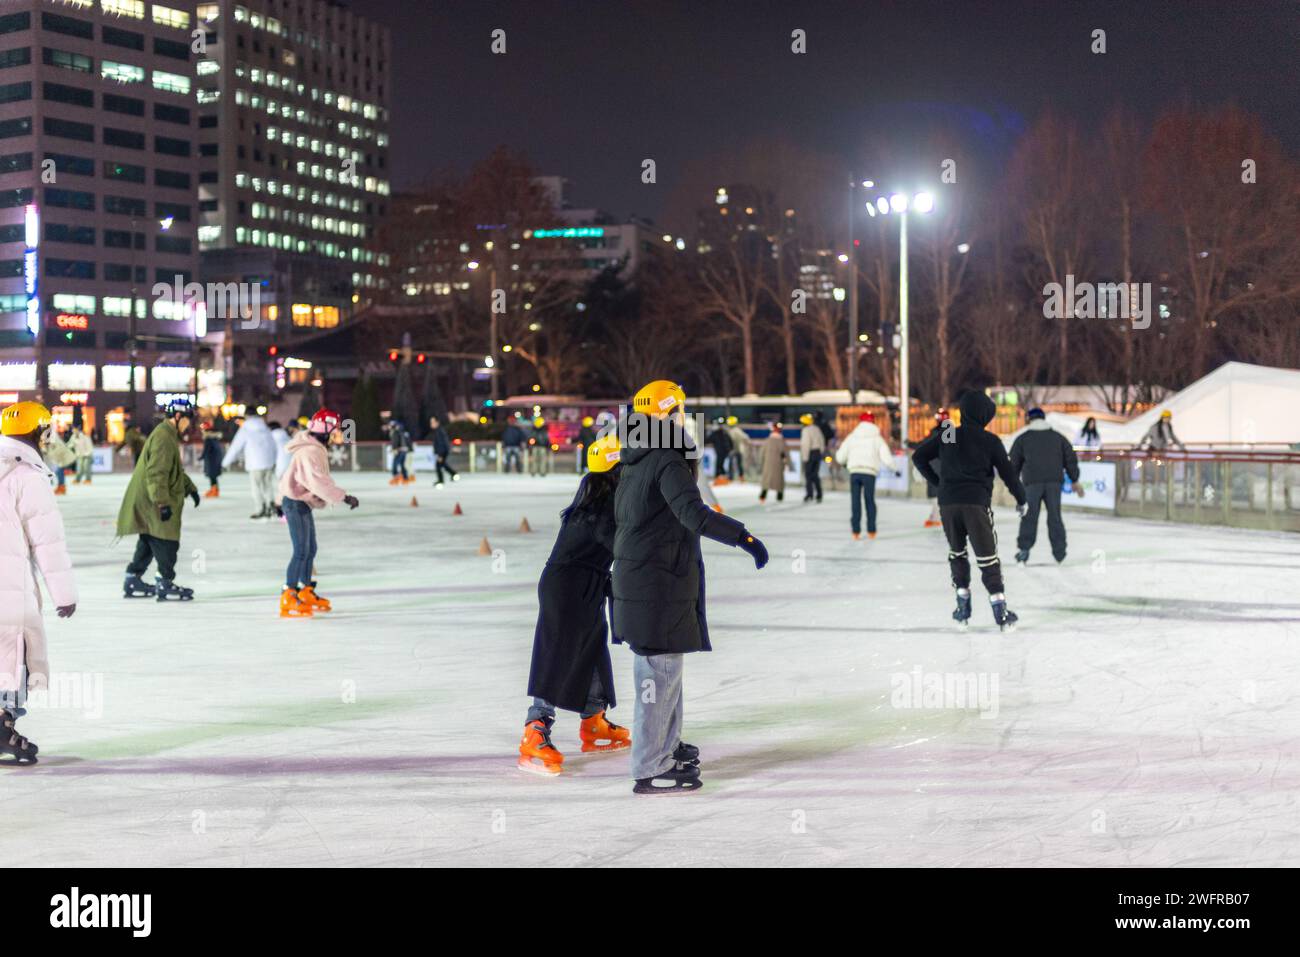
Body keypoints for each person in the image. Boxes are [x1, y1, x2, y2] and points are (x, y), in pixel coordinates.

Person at [613, 380, 769, 794]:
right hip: (656, 583)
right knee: (658, 675)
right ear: (664, 414)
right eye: (678, 411)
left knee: (664, 673)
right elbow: (692, 513)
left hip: (646, 578)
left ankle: (665, 746)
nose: (684, 418)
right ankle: (649, 766)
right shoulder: (665, 457)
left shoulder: (636, 455)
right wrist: (744, 537)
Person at [519, 434, 630, 775]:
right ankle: (535, 729)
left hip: (585, 585)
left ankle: (593, 721)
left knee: (593, 647)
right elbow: (624, 547)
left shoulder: (598, 497)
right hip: (566, 588)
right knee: (556, 652)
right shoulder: (602, 508)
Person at [0, 402, 77, 766]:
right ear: (40, 433)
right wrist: (64, 595)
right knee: (17, 659)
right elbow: (47, 542)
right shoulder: (27, 476)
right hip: (9, 587)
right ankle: (3, 729)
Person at [912, 390, 1027, 632]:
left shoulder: (950, 433)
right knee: (987, 557)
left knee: (957, 553)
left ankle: (962, 609)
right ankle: (1001, 612)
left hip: (948, 503)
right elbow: (1009, 474)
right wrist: (1022, 499)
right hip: (975, 504)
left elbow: (919, 456)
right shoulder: (989, 440)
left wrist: (938, 482)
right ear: (985, 415)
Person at [277, 409, 359, 618]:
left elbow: (319, 480)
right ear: (324, 430)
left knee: (310, 548)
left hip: (301, 504)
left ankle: (305, 591)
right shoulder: (310, 452)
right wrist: (343, 496)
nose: (335, 435)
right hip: (295, 504)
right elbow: (317, 481)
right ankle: (288, 593)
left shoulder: (315, 449)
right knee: (301, 551)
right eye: (333, 431)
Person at [116, 398, 200, 602]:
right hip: (154, 500)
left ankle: (133, 578)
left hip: (150, 498)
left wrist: (190, 488)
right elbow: (157, 472)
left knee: (148, 540)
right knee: (166, 541)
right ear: (178, 416)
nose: (190, 424)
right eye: (188, 419)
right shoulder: (164, 437)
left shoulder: (167, 435)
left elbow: (173, 471)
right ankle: (165, 582)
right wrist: (162, 503)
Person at [1010, 408, 1081, 565]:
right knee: (1055, 516)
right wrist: (1074, 478)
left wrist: (1013, 483)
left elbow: (1013, 463)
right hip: (1054, 483)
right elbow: (1070, 458)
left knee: (1029, 516)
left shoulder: (1023, 439)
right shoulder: (1058, 438)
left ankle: (1024, 549)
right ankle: (1060, 552)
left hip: (1031, 484)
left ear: (1030, 419)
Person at [835, 411, 897, 540]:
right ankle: (871, 530)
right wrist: (894, 468)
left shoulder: (852, 437)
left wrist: (845, 462)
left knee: (855, 502)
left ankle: (855, 531)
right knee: (869, 501)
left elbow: (840, 456)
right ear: (873, 422)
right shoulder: (877, 438)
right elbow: (886, 457)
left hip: (855, 472)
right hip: (869, 473)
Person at [222, 410, 279, 519]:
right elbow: (273, 445)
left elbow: (235, 447)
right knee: (267, 485)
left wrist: (225, 463)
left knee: (257, 487)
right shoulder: (265, 428)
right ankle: (270, 504)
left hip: (255, 463)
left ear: (247, 416)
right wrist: (273, 460)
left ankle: (261, 508)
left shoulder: (245, 429)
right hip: (268, 462)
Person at [921, 408, 948, 528]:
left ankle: (937, 516)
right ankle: (935, 515)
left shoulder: (936, 433)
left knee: (936, 492)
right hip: (943, 467)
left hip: (937, 467)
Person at [758, 422, 787, 503]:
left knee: (766, 481)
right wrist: (786, 463)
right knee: (779, 482)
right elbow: (785, 454)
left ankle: (762, 497)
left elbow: (761, 453)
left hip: (768, 464)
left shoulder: (767, 440)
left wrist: (761, 463)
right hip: (778, 464)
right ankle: (779, 497)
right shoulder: (781, 440)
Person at [799, 413, 826, 502]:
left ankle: (809, 494)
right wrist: (821, 452)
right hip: (817, 453)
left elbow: (806, 444)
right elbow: (822, 441)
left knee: (808, 475)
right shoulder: (816, 428)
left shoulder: (806, 430)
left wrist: (805, 457)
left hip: (810, 453)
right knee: (815, 475)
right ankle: (819, 494)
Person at [43, 426, 75, 495]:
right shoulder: (49, 436)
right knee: (58, 471)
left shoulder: (52, 437)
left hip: (62, 456)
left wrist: (49, 452)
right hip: (59, 457)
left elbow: (58, 448)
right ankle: (61, 486)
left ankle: (61, 487)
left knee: (59, 471)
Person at [429, 415, 459, 487]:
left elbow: (441, 443)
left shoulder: (439, 431)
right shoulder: (438, 431)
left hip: (442, 451)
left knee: (438, 466)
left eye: (432, 422)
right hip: (443, 451)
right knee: (443, 465)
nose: (431, 424)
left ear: (437, 422)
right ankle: (454, 474)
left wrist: (440, 455)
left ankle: (441, 481)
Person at [705, 417, 734, 481]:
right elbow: (708, 440)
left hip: (725, 453)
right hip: (720, 452)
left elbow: (730, 442)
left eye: (722, 425)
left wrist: (730, 449)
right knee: (719, 465)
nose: (721, 426)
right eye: (720, 425)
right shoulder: (716, 433)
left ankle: (724, 477)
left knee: (722, 465)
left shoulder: (725, 433)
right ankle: (719, 477)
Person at [200, 422, 224, 498]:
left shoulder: (208, 439)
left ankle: (214, 490)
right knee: (214, 476)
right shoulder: (215, 438)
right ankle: (215, 489)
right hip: (216, 460)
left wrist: (201, 457)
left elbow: (206, 449)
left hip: (211, 460)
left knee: (212, 476)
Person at [388, 419, 412, 485]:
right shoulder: (400, 432)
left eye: (390, 425)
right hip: (403, 450)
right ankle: (405, 479)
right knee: (402, 465)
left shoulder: (395, 432)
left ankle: (396, 478)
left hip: (399, 451)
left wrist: (395, 449)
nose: (388, 426)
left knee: (394, 465)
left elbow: (395, 442)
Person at [725, 416, 749, 480]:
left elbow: (745, 438)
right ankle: (739, 476)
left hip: (735, 449)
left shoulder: (734, 431)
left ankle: (732, 477)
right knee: (737, 464)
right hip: (737, 449)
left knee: (733, 463)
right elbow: (746, 438)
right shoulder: (735, 430)